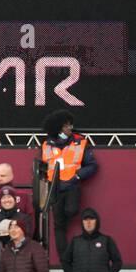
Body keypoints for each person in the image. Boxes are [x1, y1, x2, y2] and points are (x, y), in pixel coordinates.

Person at [39, 110, 97, 260]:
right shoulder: (46, 145)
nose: (70, 128)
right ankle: (64, 257)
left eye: (70, 125)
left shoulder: (80, 142)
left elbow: (92, 166)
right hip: (55, 189)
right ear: (58, 128)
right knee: (59, 225)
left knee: (71, 210)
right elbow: (43, 168)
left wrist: (77, 176)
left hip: (72, 186)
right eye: (66, 126)